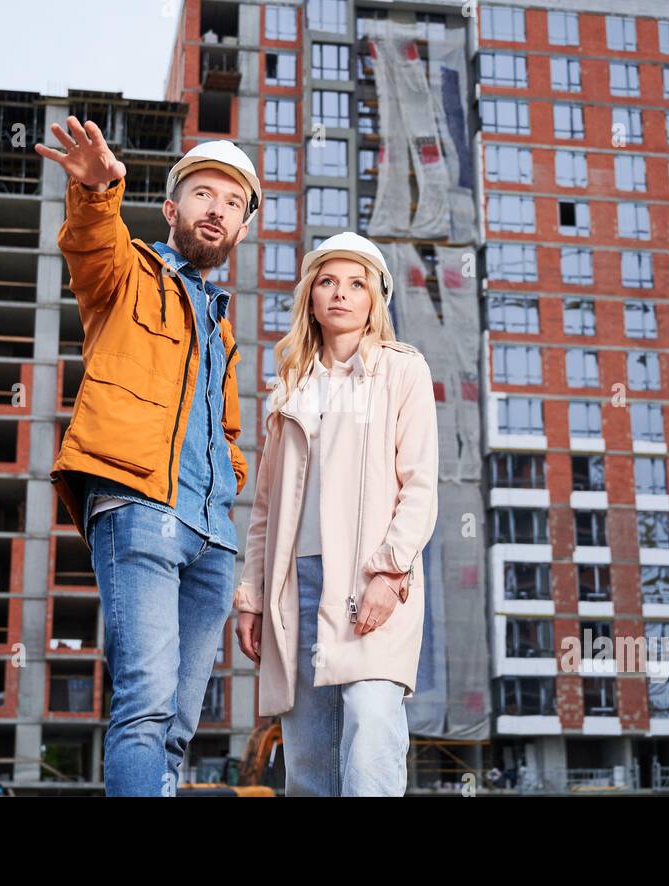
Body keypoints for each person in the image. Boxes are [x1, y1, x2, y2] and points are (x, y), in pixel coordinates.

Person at [36, 119, 259, 796]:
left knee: (180, 723)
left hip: (212, 539)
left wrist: (226, 501)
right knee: (146, 699)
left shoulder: (220, 326)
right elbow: (88, 242)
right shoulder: (125, 273)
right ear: (172, 208)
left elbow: (227, 437)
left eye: (233, 202)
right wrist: (99, 189)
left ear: (243, 228)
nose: (216, 208)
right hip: (138, 508)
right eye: (203, 194)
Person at [233, 232, 439, 796]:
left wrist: (390, 572)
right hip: (295, 589)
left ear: (375, 298)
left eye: (356, 283)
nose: (341, 294)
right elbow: (266, 509)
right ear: (311, 298)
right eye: (327, 282)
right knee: (307, 761)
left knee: (371, 738)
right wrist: (252, 597)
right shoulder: (290, 391)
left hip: (371, 582)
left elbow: (420, 483)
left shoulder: (403, 370)